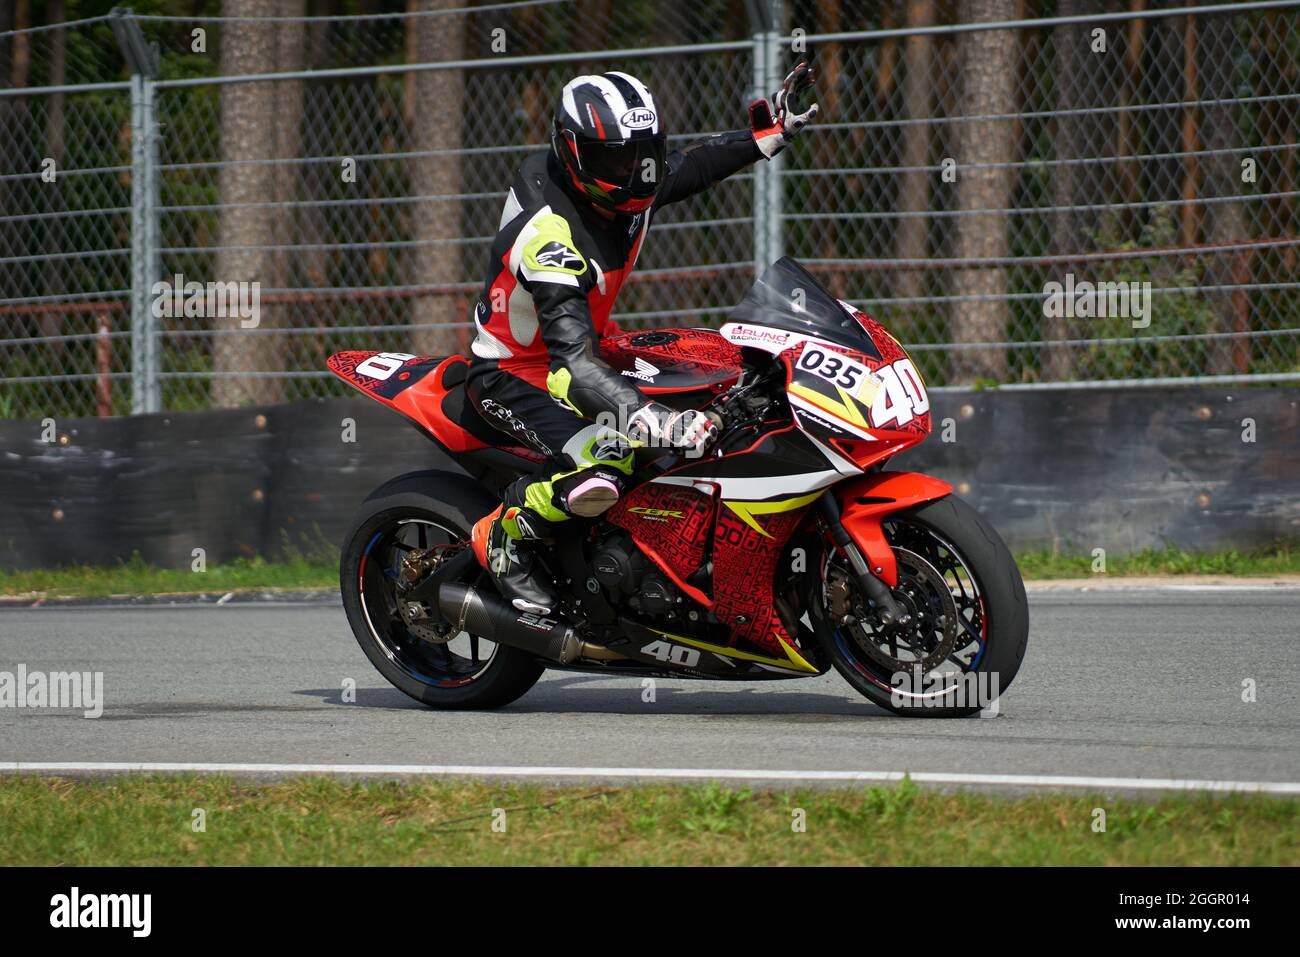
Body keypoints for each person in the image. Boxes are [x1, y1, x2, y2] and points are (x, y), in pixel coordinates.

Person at [466, 64, 818, 615]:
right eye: (617, 159)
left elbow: (692, 166)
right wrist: (645, 419)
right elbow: (574, 365)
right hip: (519, 372)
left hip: (592, 347)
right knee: (609, 460)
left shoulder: (623, 184)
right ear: (573, 151)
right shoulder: (548, 237)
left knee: (726, 375)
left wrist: (765, 136)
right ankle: (506, 533)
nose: (637, 172)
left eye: (644, 154)